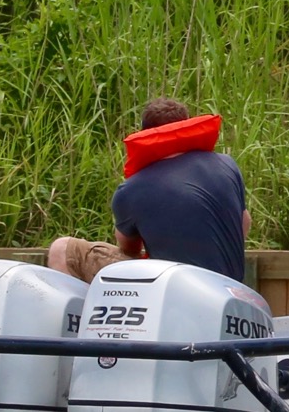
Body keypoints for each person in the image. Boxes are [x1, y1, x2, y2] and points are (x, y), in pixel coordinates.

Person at [107, 98, 251, 280]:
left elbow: (129, 249)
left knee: (63, 249)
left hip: (172, 288)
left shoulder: (130, 190)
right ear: (186, 126)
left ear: (145, 134)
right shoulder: (227, 165)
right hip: (228, 286)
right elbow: (244, 222)